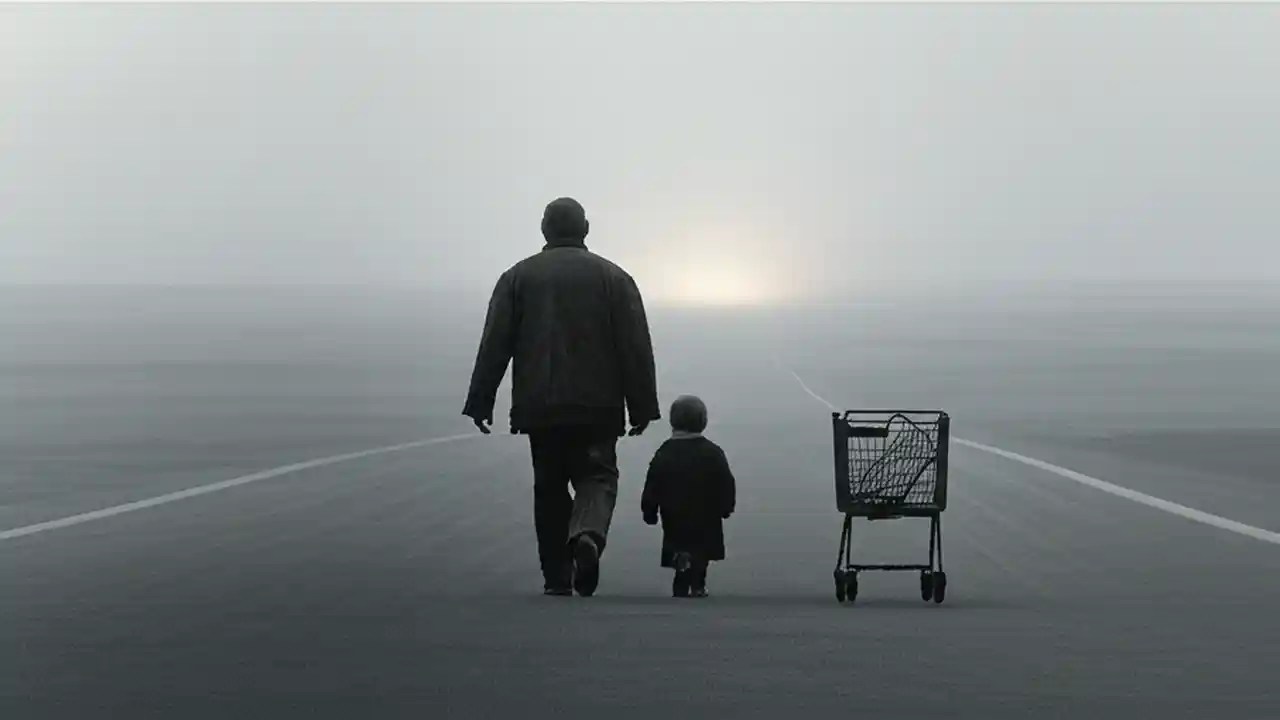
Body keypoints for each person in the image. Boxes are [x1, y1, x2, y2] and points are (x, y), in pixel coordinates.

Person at [463, 197, 660, 597]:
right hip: (598, 407)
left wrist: (481, 400)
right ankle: (586, 533)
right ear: (585, 228)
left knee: (548, 488)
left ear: (544, 229)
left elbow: (494, 344)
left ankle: (557, 577)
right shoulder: (615, 278)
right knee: (597, 475)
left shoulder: (517, 278)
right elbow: (635, 346)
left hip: (541, 407)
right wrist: (642, 406)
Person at [641, 395, 737, 598]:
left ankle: (681, 569)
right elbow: (725, 482)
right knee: (701, 548)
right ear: (703, 421)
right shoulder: (712, 452)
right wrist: (726, 506)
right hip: (706, 513)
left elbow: (653, 481)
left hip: (673, 512)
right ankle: (698, 583)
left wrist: (649, 509)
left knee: (678, 541)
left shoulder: (665, 452)